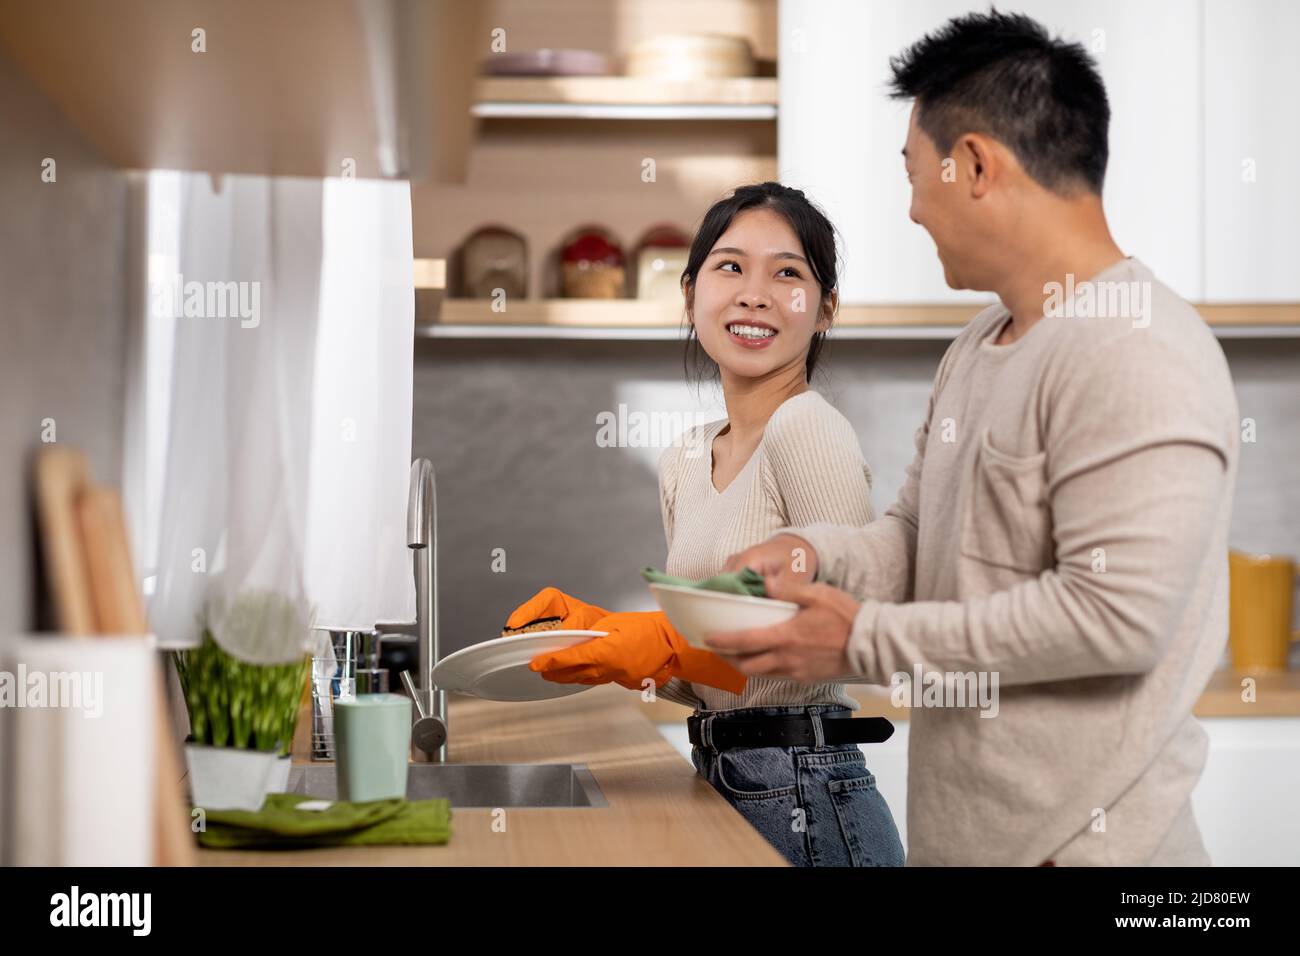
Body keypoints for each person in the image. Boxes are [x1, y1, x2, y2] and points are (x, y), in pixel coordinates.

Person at [708, 11, 1239, 866]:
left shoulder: (1139, 348)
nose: (912, 208)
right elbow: (920, 538)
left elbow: (1117, 618)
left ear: (978, 165)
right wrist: (816, 556)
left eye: (915, 174)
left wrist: (860, 642)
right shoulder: (980, 346)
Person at [505, 182, 905, 866]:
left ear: (825, 310)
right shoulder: (686, 459)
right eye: (730, 267)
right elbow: (714, 679)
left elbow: (850, 621)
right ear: (690, 296)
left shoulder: (807, 427)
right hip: (725, 774)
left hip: (808, 793)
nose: (754, 294)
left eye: (787, 273)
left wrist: (657, 640)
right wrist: (607, 641)